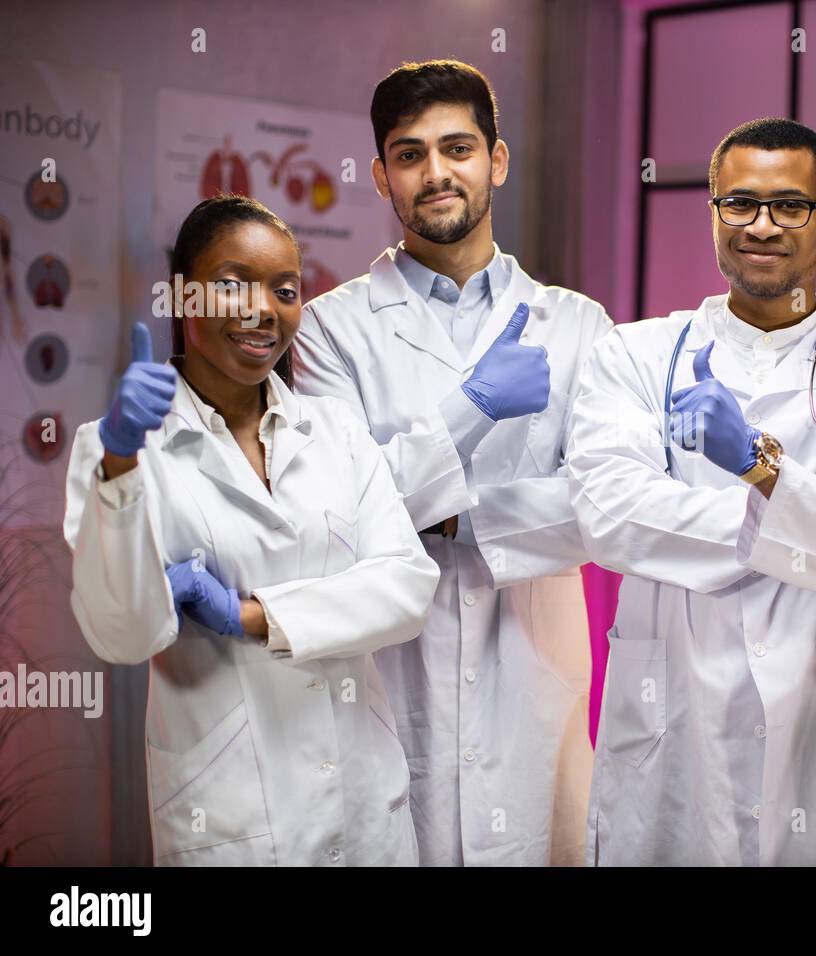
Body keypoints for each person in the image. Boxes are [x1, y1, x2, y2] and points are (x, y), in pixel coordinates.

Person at [567, 118, 816, 865]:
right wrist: (804, 522)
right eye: (739, 203)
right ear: (713, 212)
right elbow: (610, 518)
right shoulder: (634, 355)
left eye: (789, 206)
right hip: (674, 712)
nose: (761, 225)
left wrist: (762, 470)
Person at [293, 60, 611, 866]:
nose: (436, 173)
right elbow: (340, 514)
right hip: (394, 681)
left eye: (458, 148)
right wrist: (473, 407)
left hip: (535, 682)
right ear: (380, 177)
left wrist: (454, 517)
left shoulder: (577, 325)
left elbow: (606, 504)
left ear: (496, 161)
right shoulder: (332, 331)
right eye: (409, 155)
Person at [63, 195, 439, 865]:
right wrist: (122, 463)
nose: (264, 308)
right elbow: (122, 634)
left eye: (285, 289)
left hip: (366, 806)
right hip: (231, 818)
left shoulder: (335, 432)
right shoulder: (114, 450)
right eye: (233, 284)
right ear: (183, 296)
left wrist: (252, 616)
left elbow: (407, 589)